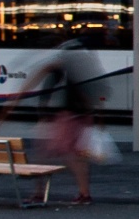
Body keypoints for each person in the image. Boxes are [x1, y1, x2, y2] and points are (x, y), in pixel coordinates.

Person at [6, 38, 96, 206]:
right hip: (70, 116)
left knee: (57, 154)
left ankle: (46, 193)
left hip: (64, 117)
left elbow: (42, 74)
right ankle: (82, 193)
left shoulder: (62, 67)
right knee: (69, 155)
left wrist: (19, 95)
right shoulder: (79, 70)